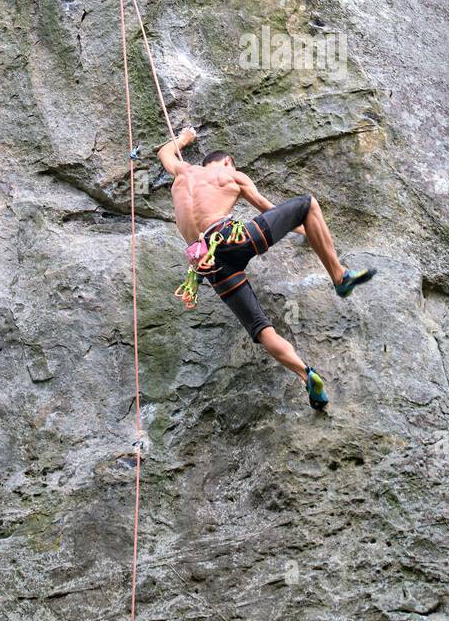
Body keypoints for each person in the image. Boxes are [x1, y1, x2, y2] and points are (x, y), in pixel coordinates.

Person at [158, 126, 375, 409]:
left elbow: (164, 151)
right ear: (227, 161)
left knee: (261, 329)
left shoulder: (183, 174)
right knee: (307, 204)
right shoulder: (230, 175)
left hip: (207, 264)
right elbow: (266, 208)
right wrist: (308, 230)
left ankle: (306, 375)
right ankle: (339, 276)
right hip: (231, 239)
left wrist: (185, 137)